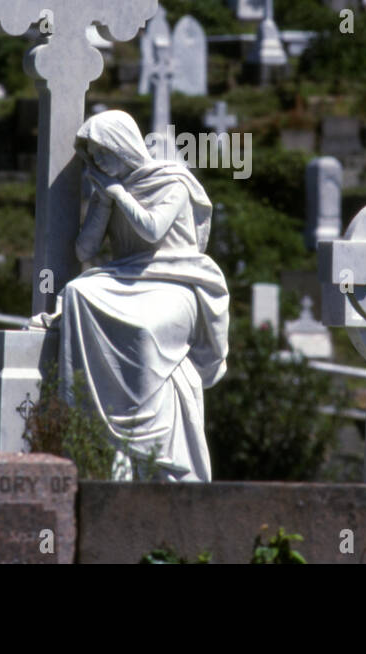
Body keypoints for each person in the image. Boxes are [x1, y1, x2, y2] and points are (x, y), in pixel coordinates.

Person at [55, 110, 229, 482]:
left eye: (105, 153)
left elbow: (151, 231)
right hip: (127, 276)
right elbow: (85, 252)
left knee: (145, 332)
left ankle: (144, 437)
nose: (100, 162)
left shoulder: (172, 181)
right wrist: (102, 203)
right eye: (94, 156)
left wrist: (118, 193)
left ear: (125, 146)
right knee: (77, 291)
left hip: (176, 281)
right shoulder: (109, 191)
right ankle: (100, 426)